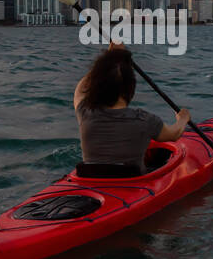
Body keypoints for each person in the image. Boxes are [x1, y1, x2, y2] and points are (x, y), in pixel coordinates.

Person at [73, 42, 190, 174]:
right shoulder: (145, 120)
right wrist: (182, 119)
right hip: (133, 182)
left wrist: (109, 57)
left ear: (97, 85)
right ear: (131, 88)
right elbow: (174, 134)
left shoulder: (86, 114)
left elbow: (81, 91)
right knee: (161, 157)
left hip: (91, 178)